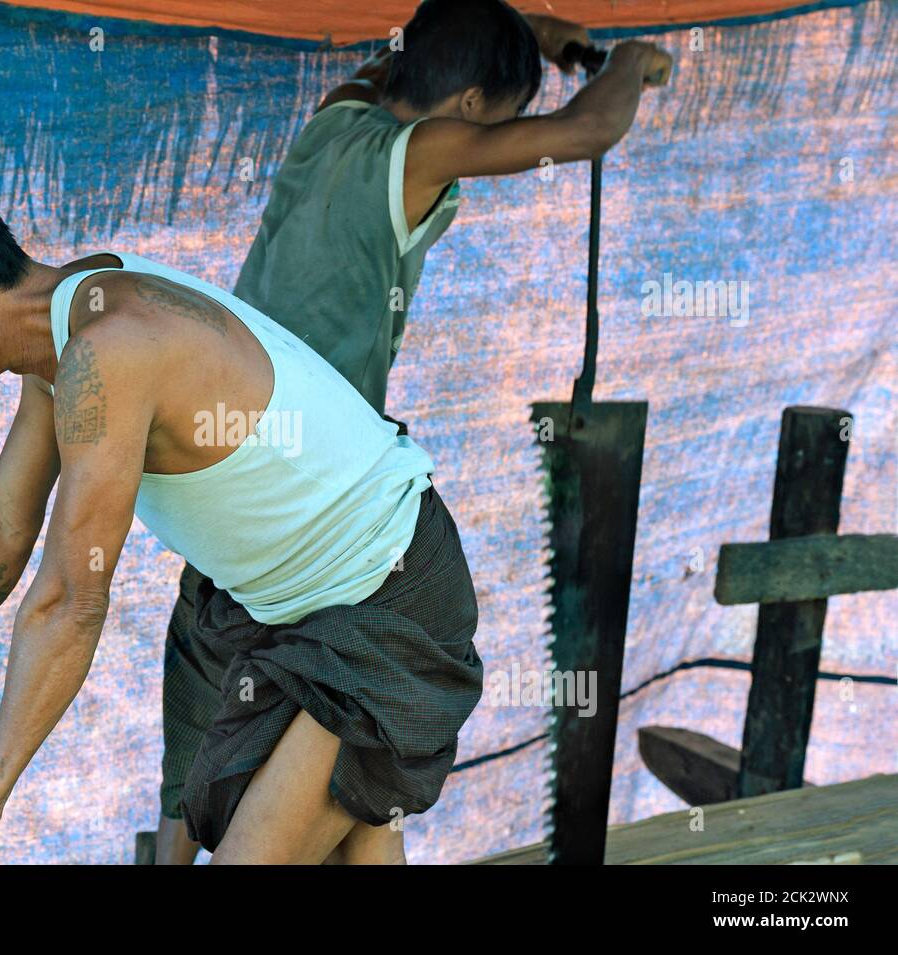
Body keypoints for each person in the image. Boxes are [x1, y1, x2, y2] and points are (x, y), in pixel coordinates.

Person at [0, 149, 483, 863]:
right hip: (297, 608)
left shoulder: (111, 348)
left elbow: (71, 596)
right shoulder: (69, 330)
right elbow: (4, 522)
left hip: (387, 601)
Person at [153, 0, 672, 862]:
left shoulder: (334, 119)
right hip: (312, 494)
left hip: (233, 480)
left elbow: (396, 71)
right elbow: (586, 132)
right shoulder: (419, 149)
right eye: (493, 119)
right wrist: (632, 63)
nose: (483, 142)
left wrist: (530, 36)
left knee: (248, 751)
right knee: (357, 735)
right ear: (468, 105)